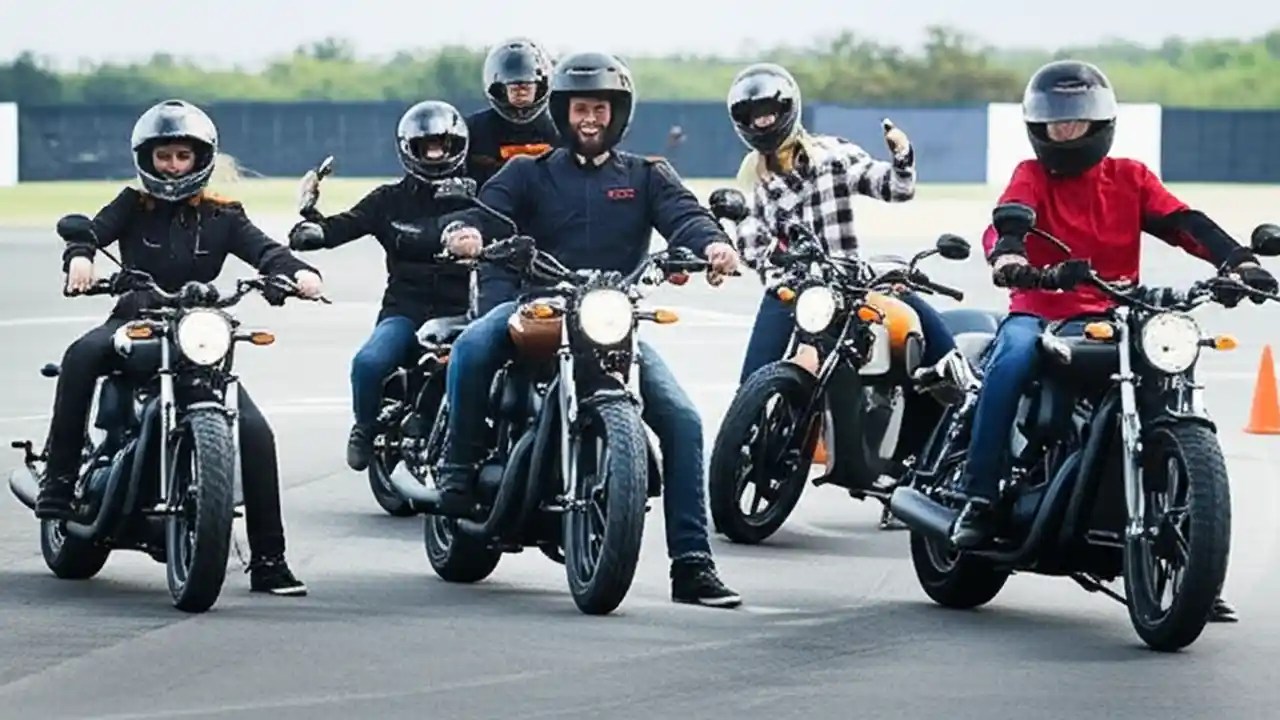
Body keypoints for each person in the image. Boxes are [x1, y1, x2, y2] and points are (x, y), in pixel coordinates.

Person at [949, 60, 1277, 623]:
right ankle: (979, 496)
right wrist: (1013, 261)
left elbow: (1184, 223)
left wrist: (1238, 261)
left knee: (1168, 386)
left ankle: (1192, 560)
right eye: (1056, 124)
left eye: (1077, 123)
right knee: (1013, 358)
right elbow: (1011, 221)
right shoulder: (1032, 174)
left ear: (1101, 123)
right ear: (1038, 127)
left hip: (1115, 315)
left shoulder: (1129, 176)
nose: (1066, 132)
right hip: (1042, 311)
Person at [436, 51, 745, 608]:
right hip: (537, 306)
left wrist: (714, 245)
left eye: (600, 108)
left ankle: (693, 564)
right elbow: (486, 214)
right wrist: (465, 232)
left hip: (607, 318)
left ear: (617, 114)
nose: (590, 119)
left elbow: (688, 217)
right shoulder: (528, 171)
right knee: (474, 345)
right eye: (580, 108)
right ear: (563, 112)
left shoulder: (647, 175)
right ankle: (458, 469)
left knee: (682, 420)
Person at [40, 98, 322, 596]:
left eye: (182, 157)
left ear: (200, 159)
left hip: (199, 329)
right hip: (136, 316)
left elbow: (265, 250)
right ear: (147, 159)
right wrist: (80, 257)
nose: (172, 166)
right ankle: (58, 486)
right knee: (81, 354)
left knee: (256, 431)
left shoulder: (223, 214)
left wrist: (296, 273)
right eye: (164, 156)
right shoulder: (132, 203)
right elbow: (92, 232)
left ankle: (269, 560)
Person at [727, 62, 957, 528]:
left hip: (852, 283)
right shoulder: (751, 178)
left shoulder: (833, 155)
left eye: (770, 112)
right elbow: (750, 243)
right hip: (790, 289)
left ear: (787, 110)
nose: (763, 122)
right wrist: (778, 256)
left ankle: (916, 470)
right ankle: (743, 459)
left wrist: (904, 156)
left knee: (939, 350)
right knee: (751, 380)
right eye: (753, 116)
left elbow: (894, 189)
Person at [288, 100, 476, 472]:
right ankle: (364, 428)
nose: (436, 154)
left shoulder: (482, 196)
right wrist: (310, 226)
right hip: (405, 309)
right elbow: (342, 226)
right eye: (427, 146)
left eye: (444, 146)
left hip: (467, 313)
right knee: (368, 363)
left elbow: (519, 225)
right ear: (410, 149)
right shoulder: (388, 200)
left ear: (459, 147)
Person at [464, 37, 560, 188]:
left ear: (539, 87)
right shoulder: (472, 131)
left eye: (526, 87)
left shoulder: (561, 129)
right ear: (501, 89)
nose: (520, 93)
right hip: (488, 207)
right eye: (514, 88)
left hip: (549, 208)